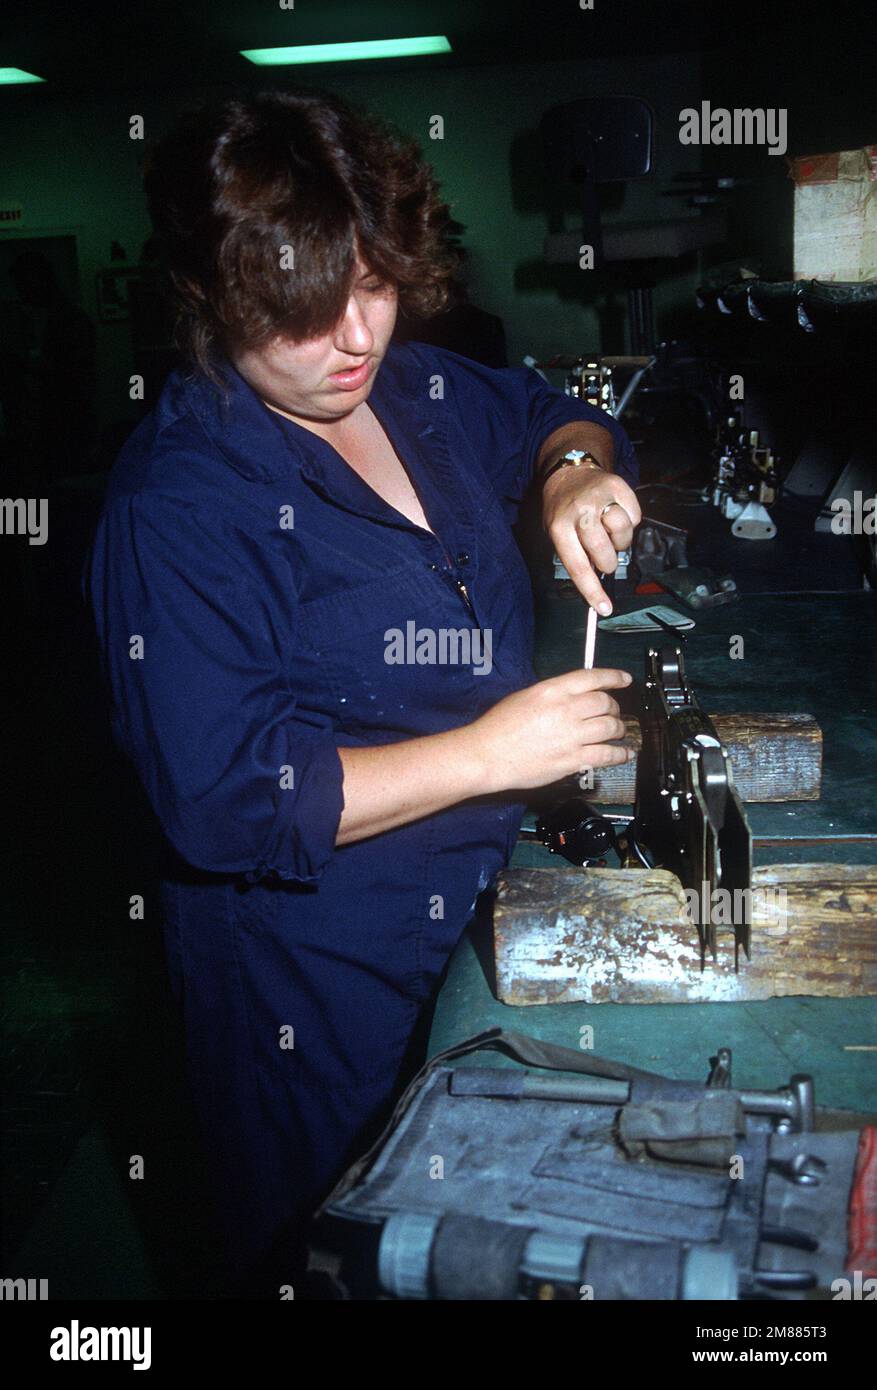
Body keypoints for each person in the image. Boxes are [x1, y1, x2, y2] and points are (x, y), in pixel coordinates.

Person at [86, 88, 642, 1297]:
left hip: (470, 906)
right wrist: (491, 754)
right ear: (209, 296)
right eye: (302, 309)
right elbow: (225, 801)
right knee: (339, 1254)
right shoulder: (180, 504)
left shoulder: (410, 392)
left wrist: (569, 476)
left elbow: (549, 414)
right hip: (314, 979)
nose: (354, 337)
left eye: (376, 286)